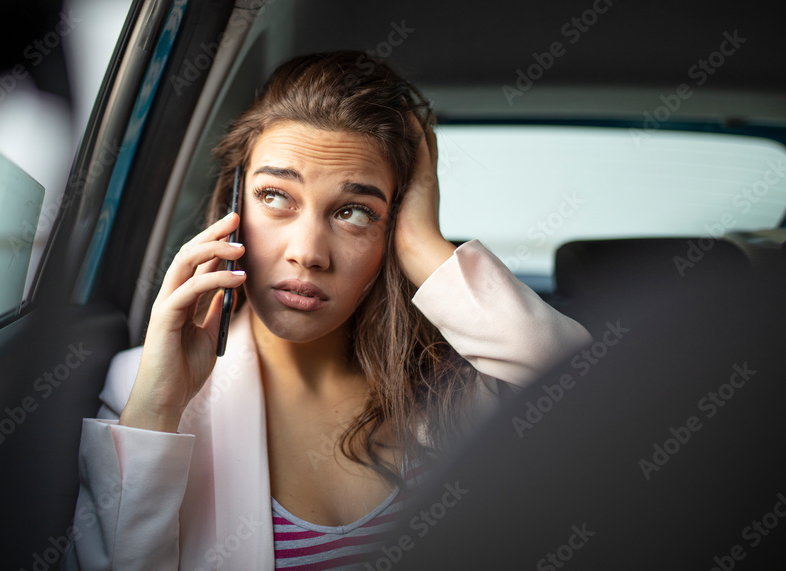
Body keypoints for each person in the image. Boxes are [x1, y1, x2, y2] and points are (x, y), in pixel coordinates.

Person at [64, 51, 592, 570]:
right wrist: (157, 410)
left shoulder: (456, 383)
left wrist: (426, 246)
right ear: (233, 207)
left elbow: (590, 396)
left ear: (393, 230)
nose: (308, 252)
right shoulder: (142, 392)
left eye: (354, 211)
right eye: (275, 196)